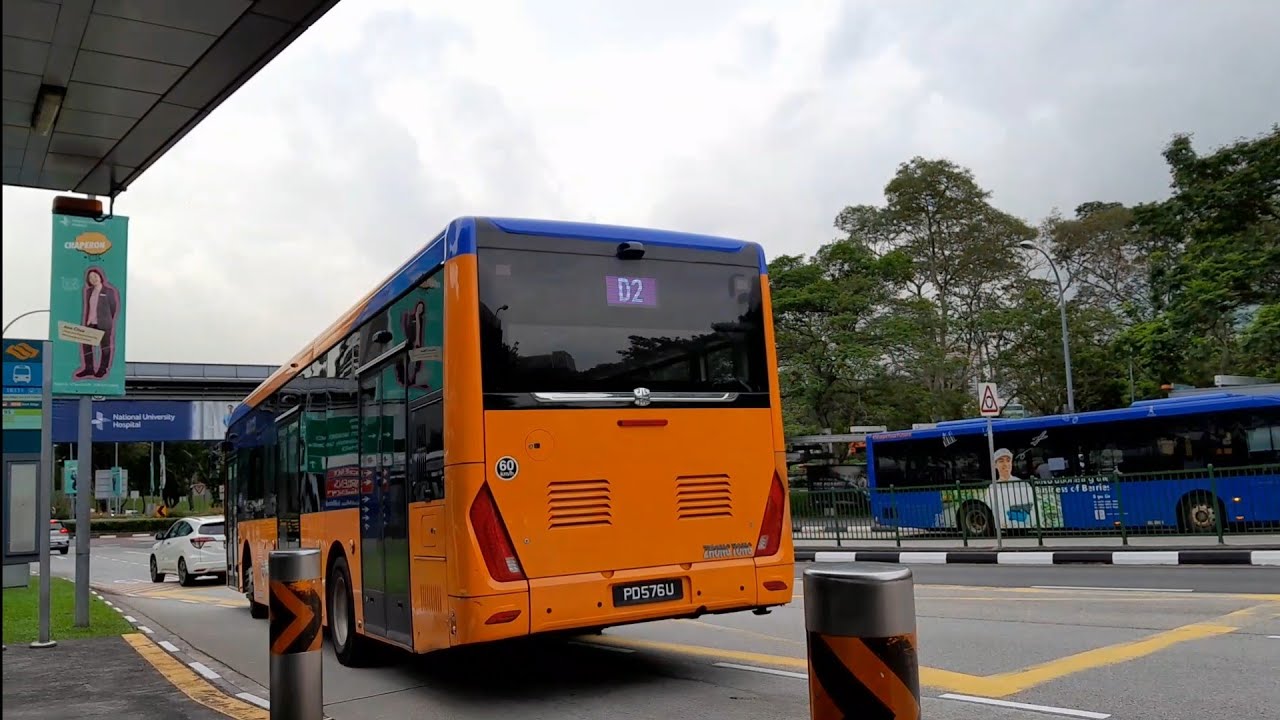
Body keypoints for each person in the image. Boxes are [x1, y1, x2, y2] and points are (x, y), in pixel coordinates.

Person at [75, 267, 120, 379]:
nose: (93, 279)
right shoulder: (88, 291)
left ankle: (102, 369)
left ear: (100, 277)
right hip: (91, 323)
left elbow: (113, 308)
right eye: (90, 277)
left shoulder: (109, 291)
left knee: (104, 348)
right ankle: (89, 368)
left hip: (104, 324)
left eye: (95, 276)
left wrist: (107, 319)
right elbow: (88, 307)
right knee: (86, 346)